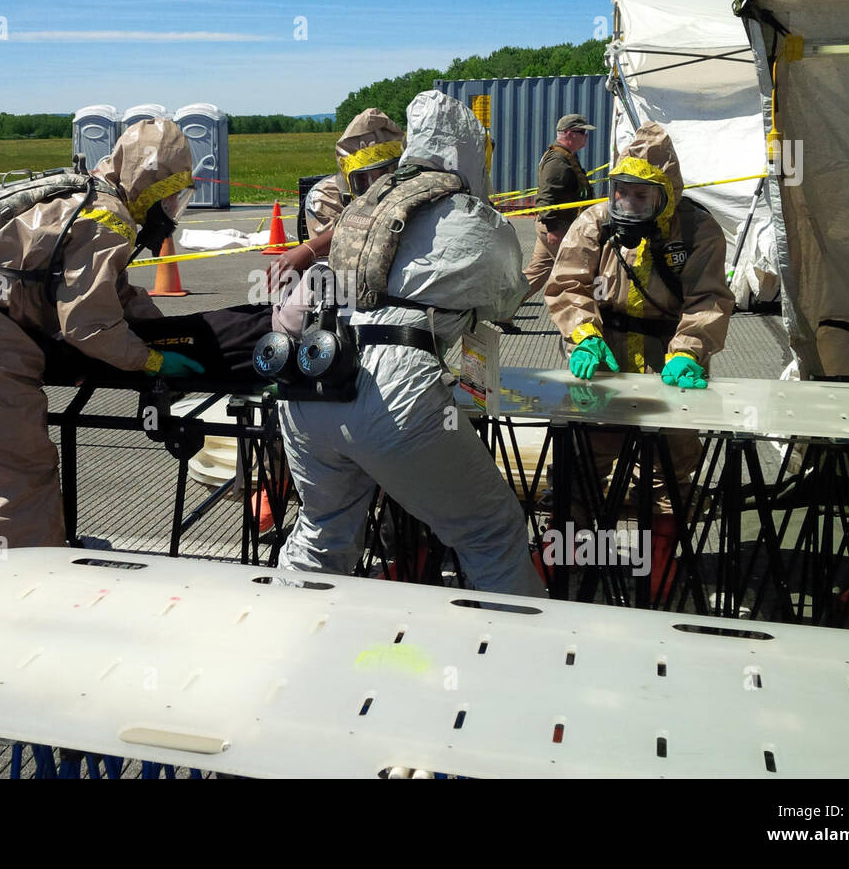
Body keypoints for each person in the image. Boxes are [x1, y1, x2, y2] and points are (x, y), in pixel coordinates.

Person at [0, 119, 204, 574]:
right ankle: (37, 595)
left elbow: (110, 289)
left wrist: (158, 326)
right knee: (21, 484)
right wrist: (153, 359)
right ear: (147, 185)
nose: (169, 209)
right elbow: (89, 324)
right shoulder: (109, 218)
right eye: (168, 195)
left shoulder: (77, 195)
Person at [275, 90, 545, 597]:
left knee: (321, 533)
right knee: (490, 531)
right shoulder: (467, 216)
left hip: (313, 384)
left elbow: (307, 296)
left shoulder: (364, 203)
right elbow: (508, 301)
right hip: (392, 397)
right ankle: (516, 661)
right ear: (470, 151)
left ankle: (285, 640)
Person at [544, 122, 734, 600]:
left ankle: (660, 565)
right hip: (602, 359)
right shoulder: (594, 223)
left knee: (668, 470)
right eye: (622, 193)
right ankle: (567, 564)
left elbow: (709, 298)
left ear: (665, 195)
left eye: (641, 197)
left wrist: (689, 350)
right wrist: (584, 334)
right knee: (581, 462)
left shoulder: (697, 229)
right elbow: (568, 283)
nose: (628, 204)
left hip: (670, 364)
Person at [267, 109, 405, 290]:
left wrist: (310, 249)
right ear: (348, 180)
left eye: (388, 173)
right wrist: (313, 249)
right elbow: (345, 255)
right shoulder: (326, 197)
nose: (376, 186)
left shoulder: (417, 187)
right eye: (364, 179)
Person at [521, 113, 596, 301]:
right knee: (577, 273)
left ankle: (501, 311)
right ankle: (581, 319)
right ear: (570, 134)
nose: (586, 137)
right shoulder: (557, 161)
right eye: (583, 133)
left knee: (536, 273)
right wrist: (553, 230)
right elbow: (545, 197)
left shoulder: (565, 157)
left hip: (555, 225)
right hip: (555, 227)